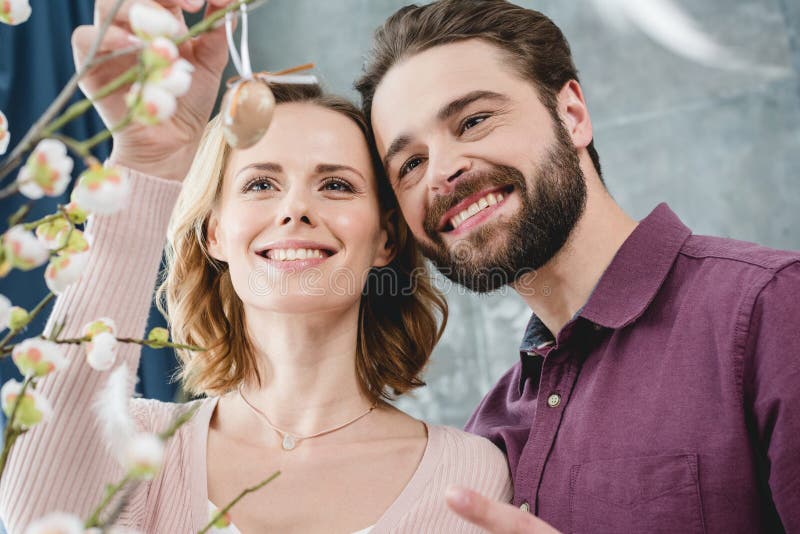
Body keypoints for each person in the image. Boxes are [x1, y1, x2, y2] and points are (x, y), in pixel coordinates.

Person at [0, 1, 512, 532]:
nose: (296, 209)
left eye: (335, 184)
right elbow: (42, 518)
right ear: (215, 233)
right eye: (260, 184)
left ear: (385, 238)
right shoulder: (139, 445)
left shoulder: (470, 476)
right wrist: (145, 163)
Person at [354, 0, 800, 532]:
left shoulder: (773, 308)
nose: (442, 172)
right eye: (410, 164)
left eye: (473, 121)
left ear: (572, 115)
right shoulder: (489, 433)